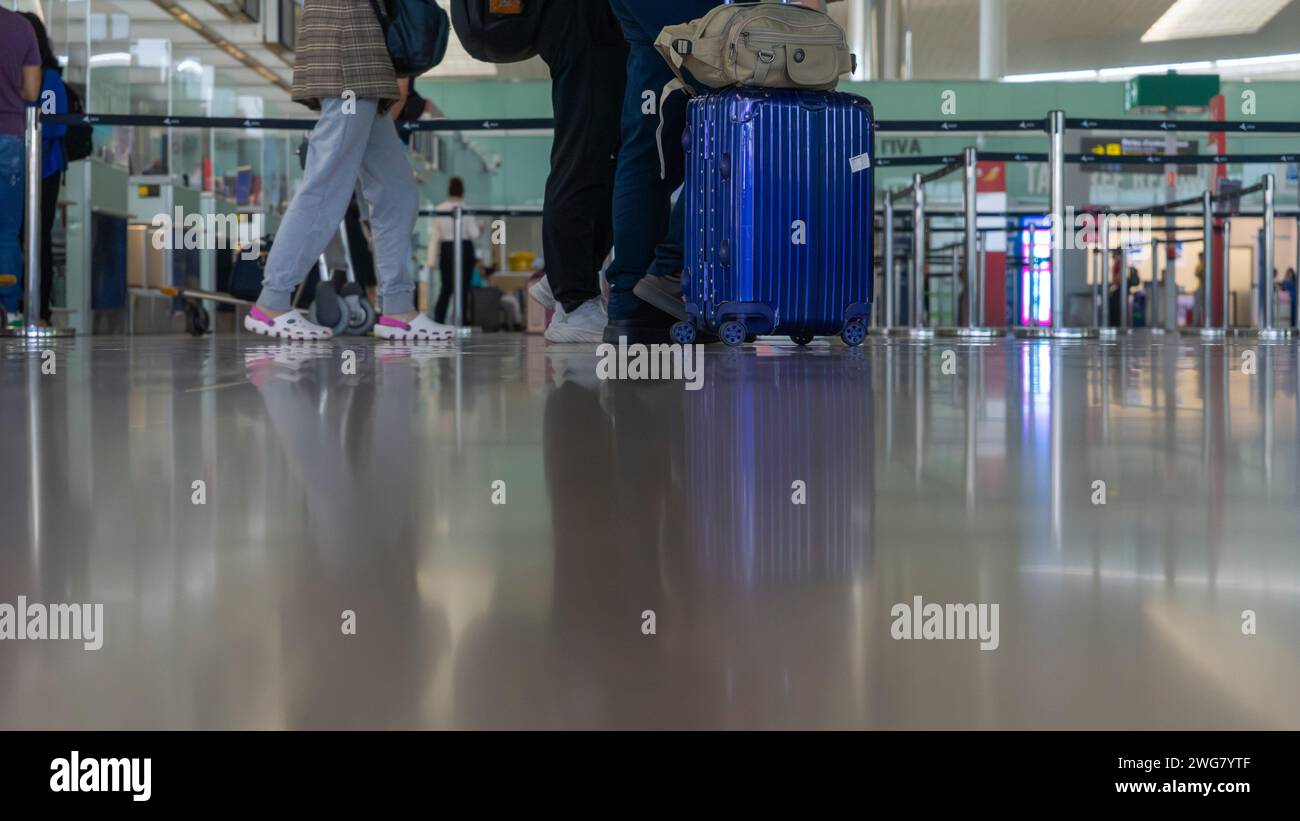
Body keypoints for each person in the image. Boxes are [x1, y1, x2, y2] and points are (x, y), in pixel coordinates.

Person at [247, 0, 450, 341]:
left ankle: (398, 309)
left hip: (368, 62)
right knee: (326, 185)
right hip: (349, 50)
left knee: (397, 191)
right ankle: (272, 303)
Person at [526, 0, 626, 343]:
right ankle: (573, 302)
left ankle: (563, 276)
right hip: (582, 21)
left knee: (613, 160)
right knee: (581, 157)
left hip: (606, 25)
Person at [20, 12, 67, 328]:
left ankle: (39, 310)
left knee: (38, 238)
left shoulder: (49, 78)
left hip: (44, 170)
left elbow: (54, 126)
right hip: (22, 167)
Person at [0, 8, 42, 323]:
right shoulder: (20, 27)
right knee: (6, 231)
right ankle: (10, 311)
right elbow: (31, 91)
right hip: (9, 139)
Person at [427, 177, 481, 325]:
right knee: (463, 287)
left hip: (446, 248)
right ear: (462, 191)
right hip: (464, 248)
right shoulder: (465, 208)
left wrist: (431, 259)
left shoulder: (440, 208)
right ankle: (462, 321)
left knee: (446, 287)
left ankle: (438, 320)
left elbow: (435, 235)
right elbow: (474, 233)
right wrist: (481, 227)